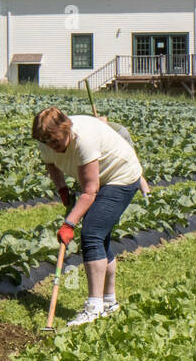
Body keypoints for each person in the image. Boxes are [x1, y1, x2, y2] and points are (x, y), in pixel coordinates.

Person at [33, 106, 145, 326]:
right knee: (100, 237)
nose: (52, 147)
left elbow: (90, 190)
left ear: (67, 130)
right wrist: (62, 189)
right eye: (47, 143)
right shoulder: (45, 141)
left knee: (92, 233)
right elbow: (51, 164)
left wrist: (69, 224)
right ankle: (109, 302)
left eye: (55, 142)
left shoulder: (83, 139)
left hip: (121, 176)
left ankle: (94, 307)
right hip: (101, 178)